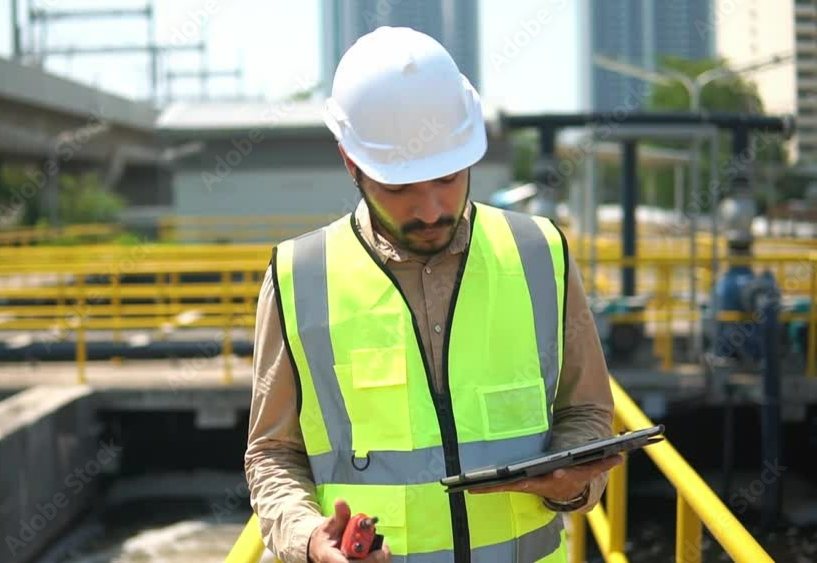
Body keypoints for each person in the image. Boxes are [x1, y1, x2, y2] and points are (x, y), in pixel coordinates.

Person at [244, 26, 619, 563]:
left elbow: (585, 411)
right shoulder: (298, 276)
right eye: (399, 188)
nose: (429, 209)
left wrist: (573, 483)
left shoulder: (540, 252)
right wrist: (307, 539)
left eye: (446, 177)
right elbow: (273, 452)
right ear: (351, 162)